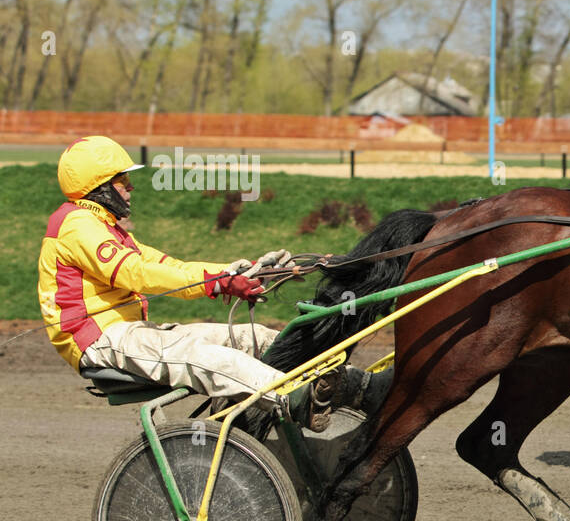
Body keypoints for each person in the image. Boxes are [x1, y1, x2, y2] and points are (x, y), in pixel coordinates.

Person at [38, 136, 375, 431]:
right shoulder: (76, 224)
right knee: (208, 357)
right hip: (101, 342)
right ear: (99, 187)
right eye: (123, 180)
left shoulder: (106, 227)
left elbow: (166, 265)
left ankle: (355, 386)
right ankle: (294, 398)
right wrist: (219, 283)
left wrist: (240, 272)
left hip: (133, 332)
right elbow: (137, 273)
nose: (131, 187)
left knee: (250, 337)